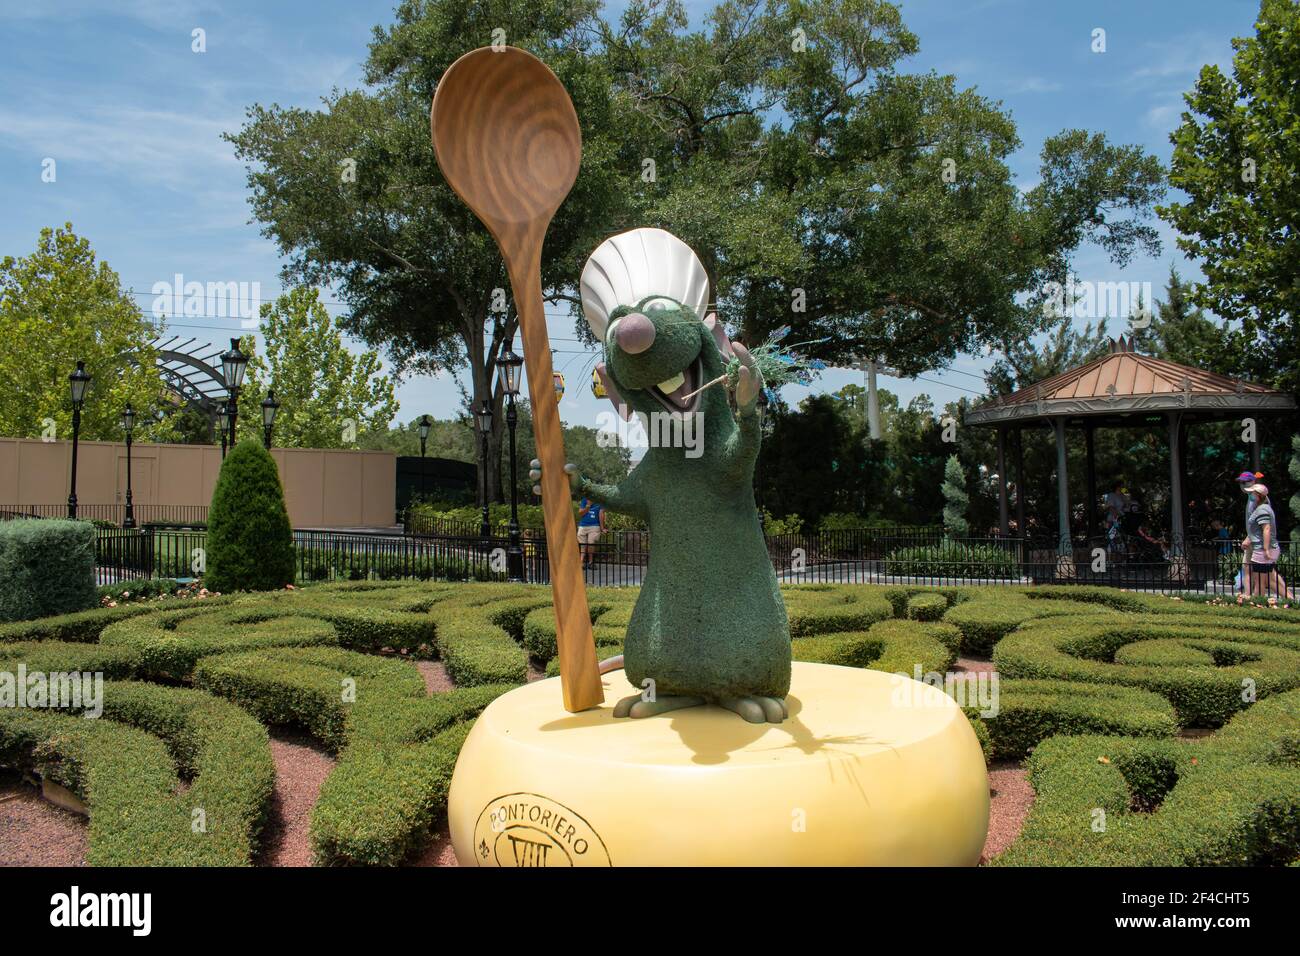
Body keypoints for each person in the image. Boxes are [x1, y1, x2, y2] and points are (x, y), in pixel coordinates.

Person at [1239, 482, 1294, 606]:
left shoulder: (1262, 509)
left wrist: (1266, 549)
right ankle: (1290, 600)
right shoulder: (1264, 508)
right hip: (1264, 548)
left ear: (1258, 495)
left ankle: (1258, 605)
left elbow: (1266, 529)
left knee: (1259, 580)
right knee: (1270, 578)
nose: (1250, 495)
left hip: (1262, 550)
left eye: (1252, 493)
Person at [577, 494, 606, 569]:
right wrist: (588, 505)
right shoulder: (584, 500)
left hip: (594, 525)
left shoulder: (600, 501)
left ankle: (591, 562)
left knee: (591, 543)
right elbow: (580, 513)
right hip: (583, 525)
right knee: (582, 544)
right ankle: (581, 562)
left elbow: (601, 514)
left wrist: (602, 528)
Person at [1104, 480, 1129, 551]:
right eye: (1122, 486)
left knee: (1122, 538)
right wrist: (1117, 516)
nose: (1124, 487)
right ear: (1118, 487)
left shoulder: (1123, 496)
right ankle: (1111, 554)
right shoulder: (1111, 495)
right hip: (1113, 519)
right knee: (1112, 538)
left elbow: (1127, 506)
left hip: (1122, 519)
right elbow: (1111, 507)